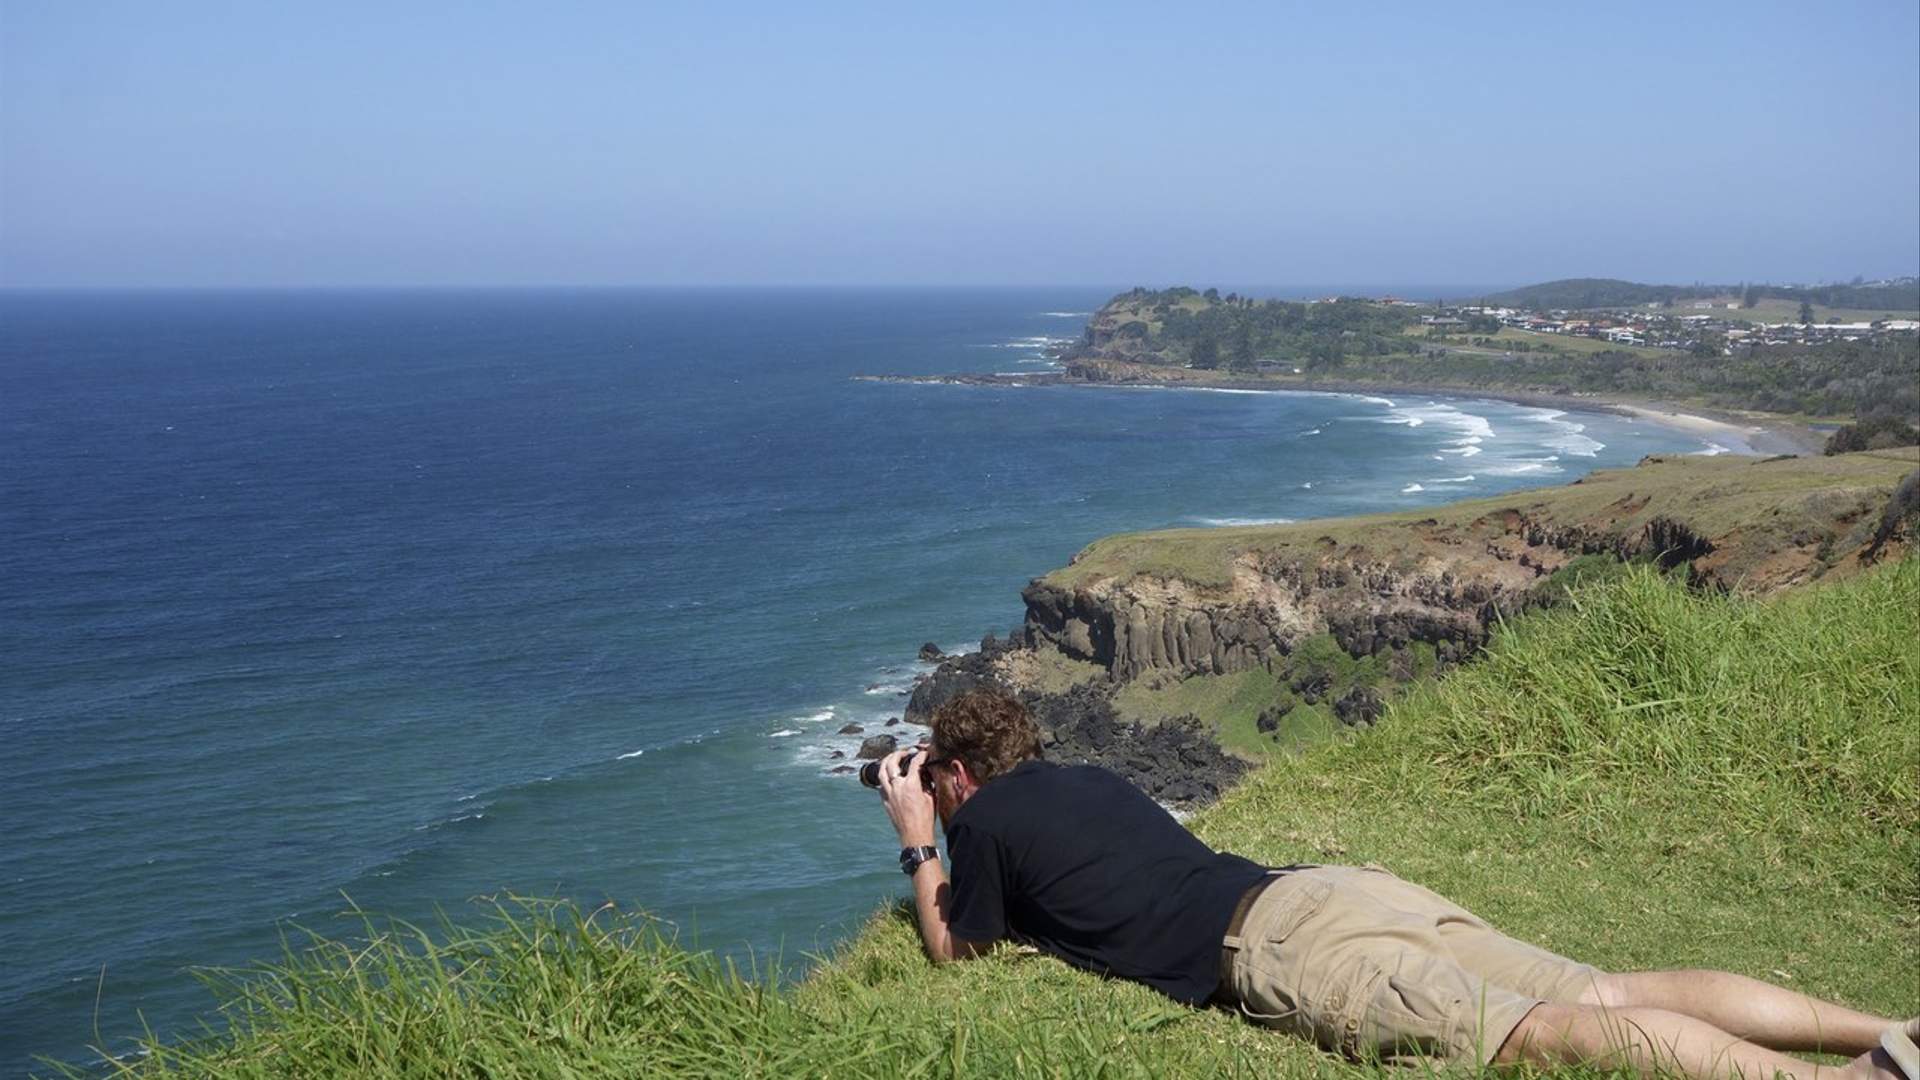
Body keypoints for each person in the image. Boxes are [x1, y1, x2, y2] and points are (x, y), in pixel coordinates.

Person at [873, 690, 1916, 1079]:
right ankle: (1888, 1027)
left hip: (1284, 947)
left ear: (960, 774)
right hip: (1338, 890)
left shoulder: (988, 818)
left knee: (1539, 1032)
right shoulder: (1082, 776)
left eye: (936, 776)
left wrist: (922, 839)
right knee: (1599, 987)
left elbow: (956, 945)